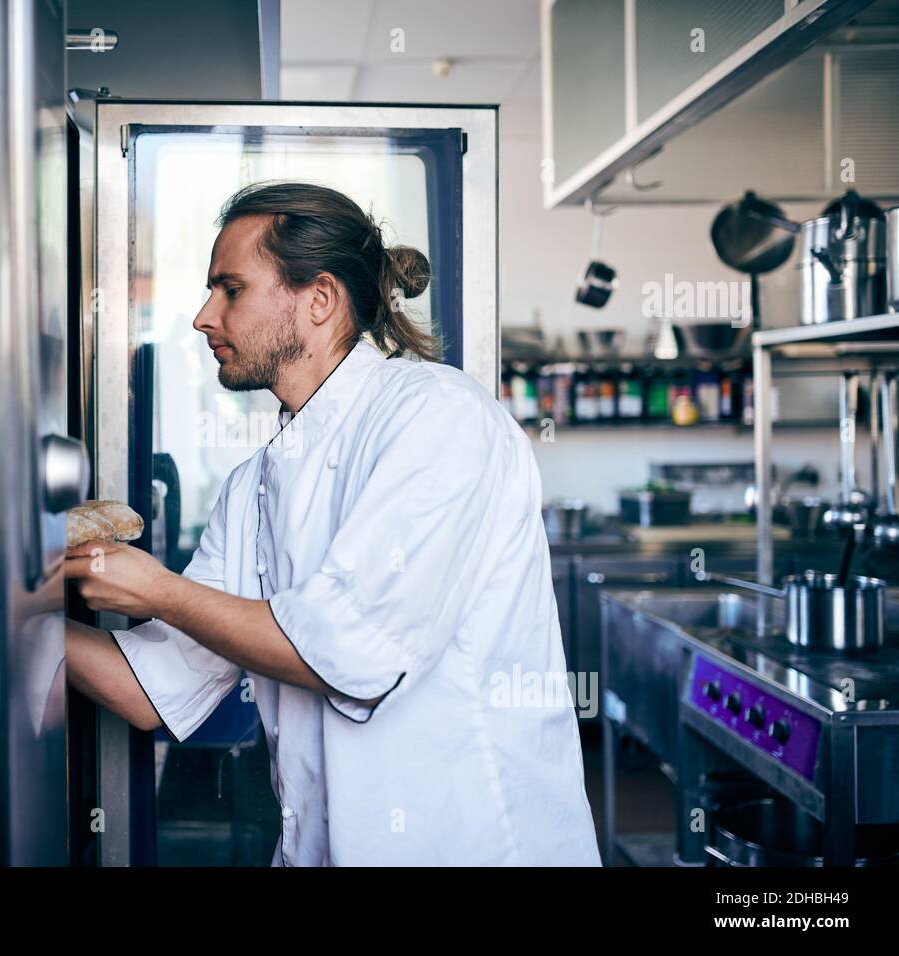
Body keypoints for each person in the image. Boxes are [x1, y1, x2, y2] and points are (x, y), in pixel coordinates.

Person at [64, 181, 599, 866]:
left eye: (230, 289)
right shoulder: (252, 487)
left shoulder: (436, 416)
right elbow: (153, 689)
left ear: (319, 299)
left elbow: (353, 658)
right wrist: (18, 617)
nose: (203, 317)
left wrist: (158, 590)